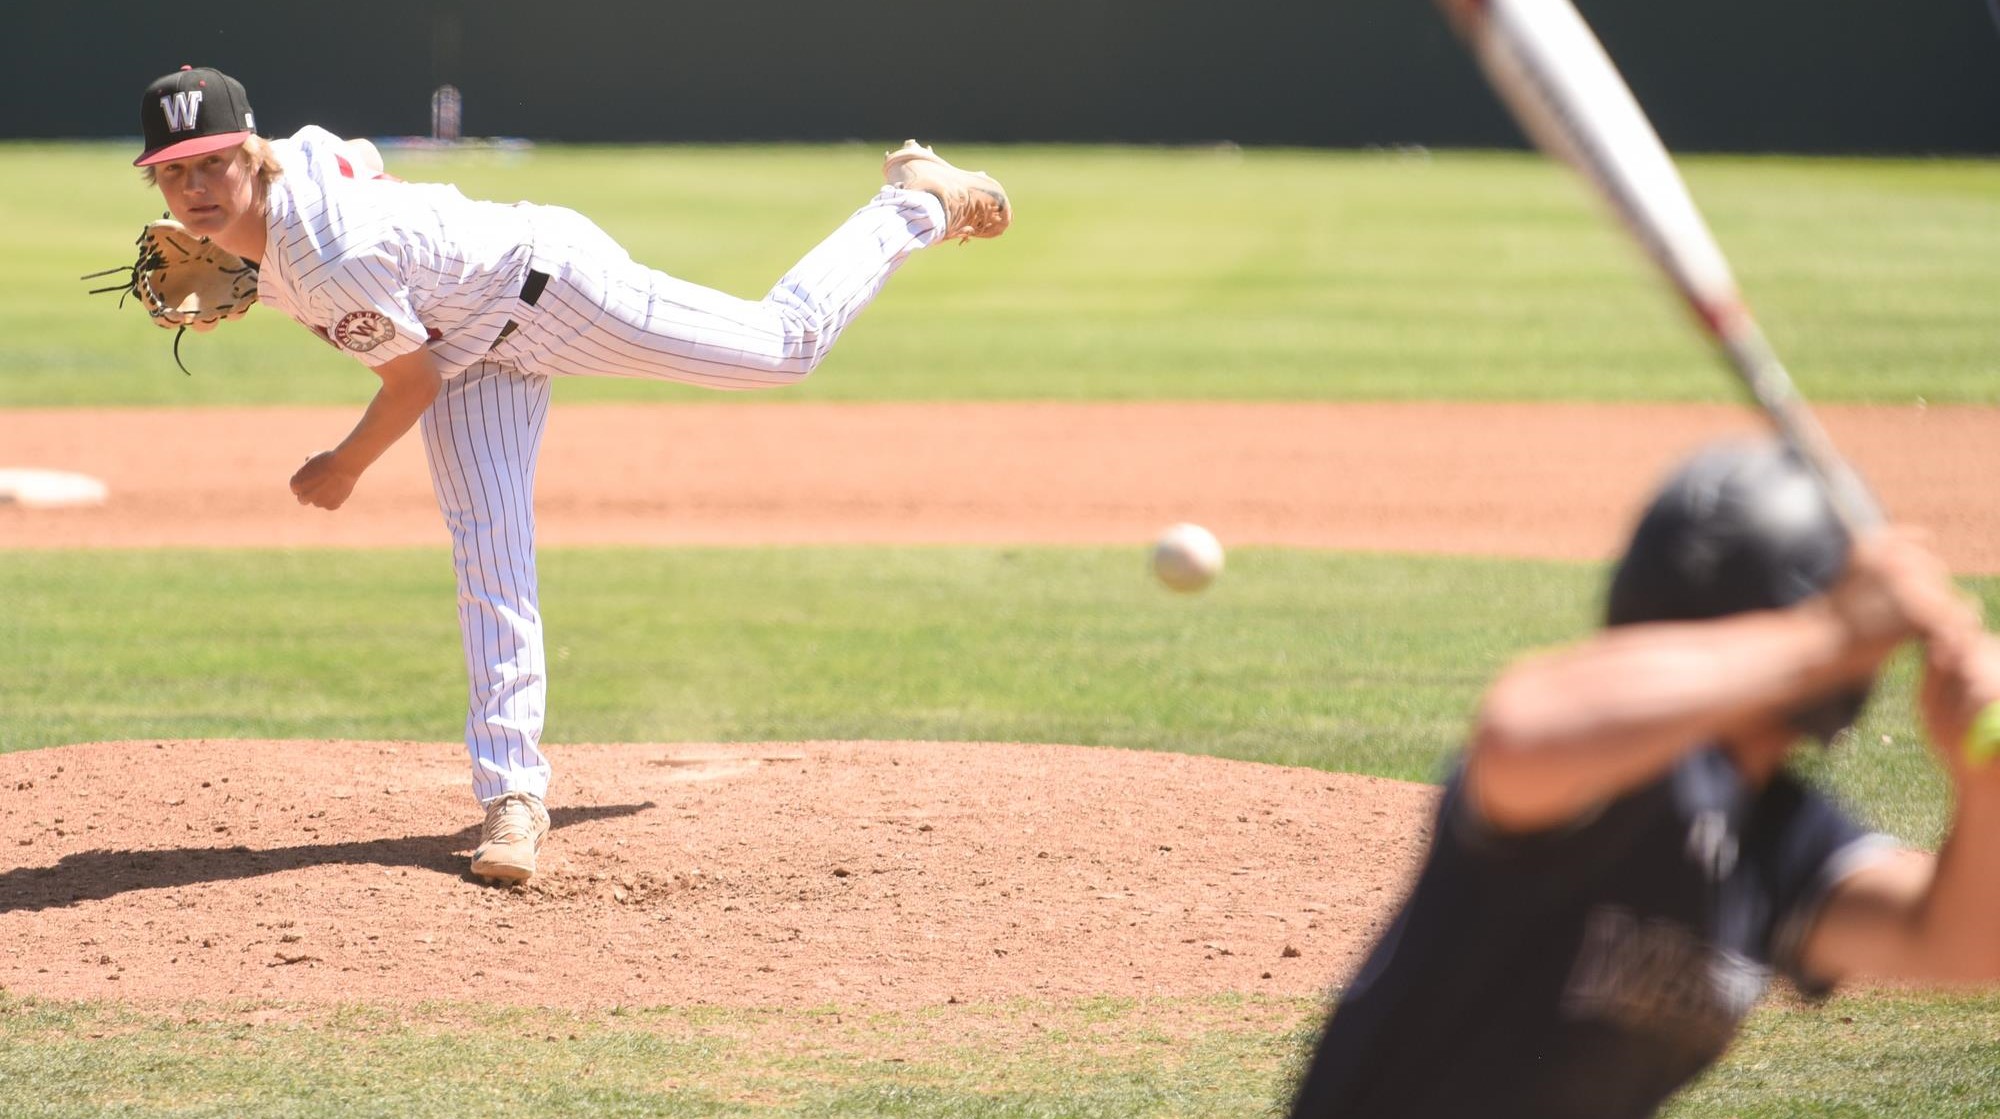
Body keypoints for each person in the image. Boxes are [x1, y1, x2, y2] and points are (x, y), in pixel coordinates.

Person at [131, 64, 1012, 884]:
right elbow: (349, 157)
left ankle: (913, 203)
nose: (197, 190)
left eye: (213, 164)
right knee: (490, 553)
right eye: (176, 175)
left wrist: (342, 466)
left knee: (784, 347)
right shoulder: (295, 161)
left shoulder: (327, 260)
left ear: (250, 154)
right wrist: (255, 270)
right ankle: (513, 798)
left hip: (554, 290)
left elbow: (411, 382)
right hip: (472, 344)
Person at [1287, 439, 2000, 1118]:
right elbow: (1519, 731)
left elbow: (1964, 941)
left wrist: (1987, 778)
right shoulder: (1605, 780)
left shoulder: (1777, 836)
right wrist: (1832, 634)